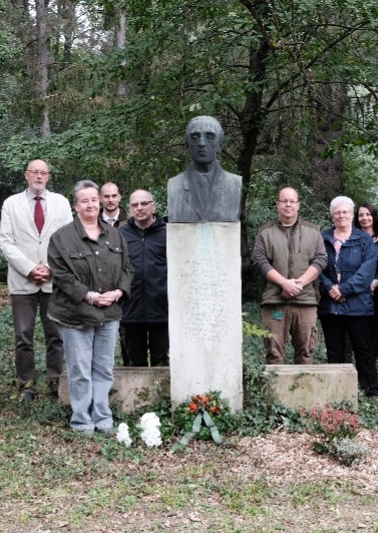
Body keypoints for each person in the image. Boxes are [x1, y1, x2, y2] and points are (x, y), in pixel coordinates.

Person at [48, 180, 133, 434]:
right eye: (84, 200)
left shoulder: (115, 234)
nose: (91, 205)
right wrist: (90, 297)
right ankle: (82, 420)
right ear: (76, 206)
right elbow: (61, 276)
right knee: (80, 370)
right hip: (76, 314)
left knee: (103, 369)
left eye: (94, 200)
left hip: (110, 313)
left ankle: (103, 417)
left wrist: (118, 291)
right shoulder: (61, 238)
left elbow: (128, 268)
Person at [0, 159, 72, 401]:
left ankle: (55, 381)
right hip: (23, 282)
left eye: (43, 173)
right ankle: (26, 385)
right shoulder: (11, 204)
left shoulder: (61, 202)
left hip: (54, 280)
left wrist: (51, 268)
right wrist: (30, 269)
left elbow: (68, 239)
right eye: (34, 173)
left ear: (48, 177)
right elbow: (6, 242)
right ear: (26, 175)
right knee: (23, 335)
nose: (39, 177)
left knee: (56, 335)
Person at [319, 196, 378, 400]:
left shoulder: (364, 239)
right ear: (332, 216)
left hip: (358, 305)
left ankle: (372, 389)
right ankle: (337, 391)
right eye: (337, 212)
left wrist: (344, 289)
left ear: (351, 214)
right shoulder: (323, 238)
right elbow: (317, 266)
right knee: (335, 350)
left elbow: (368, 270)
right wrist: (330, 288)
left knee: (363, 349)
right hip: (331, 305)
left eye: (345, 212)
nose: (342, 216)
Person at [252, 186, 327, 364]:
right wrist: (284, 284)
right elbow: (260, 261)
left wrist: (296, 285)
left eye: (292, 201)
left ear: (298, 205)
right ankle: (275, 392)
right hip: (275, 303)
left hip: (306, 302)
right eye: (284, 201)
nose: (288, 205)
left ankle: (302, 392)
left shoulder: (313, 231)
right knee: (274, 354)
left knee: (305, 353)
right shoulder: (264, 232)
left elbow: (321, 260)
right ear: (277, 204)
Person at [119, 189, 170, 366]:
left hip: (161, 310)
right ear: (130, 209)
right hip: (130, 310)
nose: (139, 208)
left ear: (153, 206)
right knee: (134, 363)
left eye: (144, 203)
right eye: (135, 205)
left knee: (161, 362)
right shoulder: (121, 235)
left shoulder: (168, 234)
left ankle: (162, 395)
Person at [167, 115, 242, 223]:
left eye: (210, 136)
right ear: (187, 145)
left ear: (220, 145)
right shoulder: (174, 184)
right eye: (195, 137)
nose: (202, 143)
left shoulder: (234, 183)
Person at [356, 203, 378, 371]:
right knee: (357, 326)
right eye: (361, 215)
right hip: (356, 289)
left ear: (374, 216)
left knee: (374, 326)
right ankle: (356, 362)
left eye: (368, 214)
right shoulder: (352, 237)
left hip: (377, 289)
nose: (365, 218)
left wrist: (375, 282)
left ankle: (372, 362)